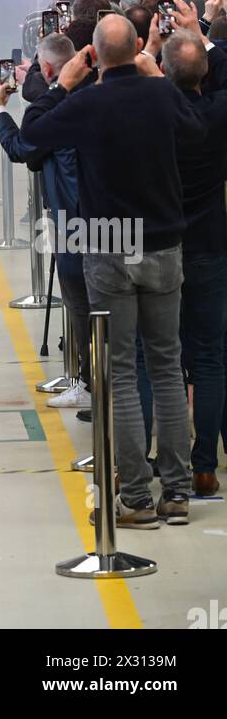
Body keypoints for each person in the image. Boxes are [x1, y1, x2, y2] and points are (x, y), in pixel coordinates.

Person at [21, 13, 206, 527]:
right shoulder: (163, 96)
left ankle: (138, 501)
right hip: (165, 243)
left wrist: (63, 83)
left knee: (120, 372)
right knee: (168, 368)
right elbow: (197, 130)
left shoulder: (87, 102)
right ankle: (177, 493)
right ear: (137, 54)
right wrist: (156, 77)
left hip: (106, 242)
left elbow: (32, 133)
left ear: (95, 55)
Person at [0, 33, 92, 410]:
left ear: (47, 68)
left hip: (74, 223)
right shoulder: (96, 97)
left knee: (81, 306)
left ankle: (88, 382)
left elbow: (23, 147)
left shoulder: (58, 111)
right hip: (114, 219)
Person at [160, 25, 227, 495]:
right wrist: (203, 34)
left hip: (163, 245)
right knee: (208, 357)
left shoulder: (155, 114)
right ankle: (206, 465)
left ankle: (172, 463)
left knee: (164, 360)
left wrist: (149, 57)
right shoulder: (221, 112)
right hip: (210, 245)